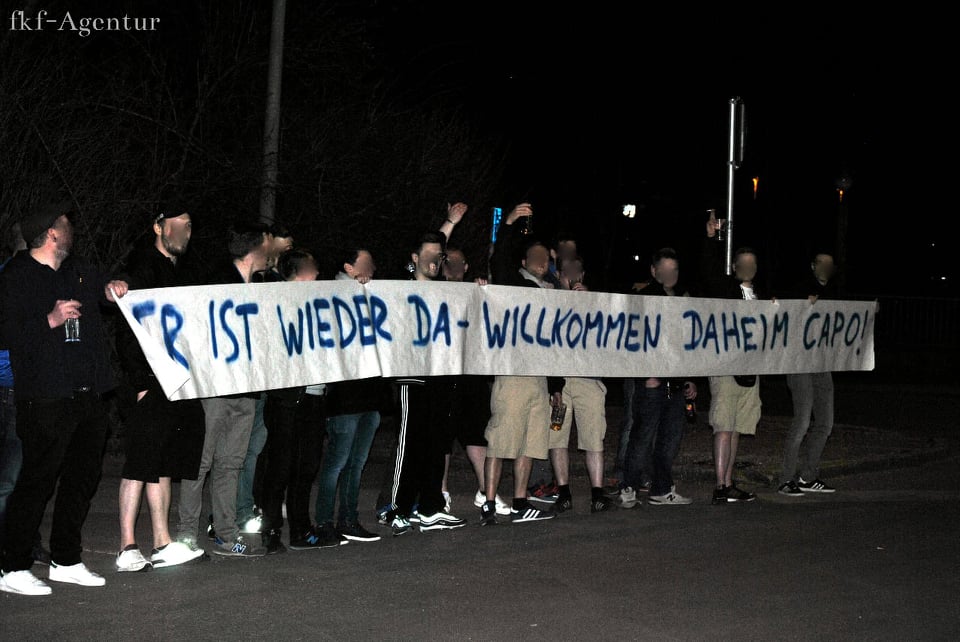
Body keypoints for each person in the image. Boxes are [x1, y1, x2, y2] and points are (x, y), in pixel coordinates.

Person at [0, 196, 129, 596]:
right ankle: (12, 565)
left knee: (82, 479)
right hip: (45, 394)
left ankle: (66, 559)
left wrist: (114, 289)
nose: (72, 226)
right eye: (65, 222)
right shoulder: (17, 275)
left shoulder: (78, 270)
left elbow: (110, 289)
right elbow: (5, 333)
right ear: (52, 232)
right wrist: (49, 320)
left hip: (87, 393)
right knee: (36, 480)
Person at [113, 203, 206, 571]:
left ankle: (163, 542)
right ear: (158, 227)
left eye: (188, 224)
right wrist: (139, 383)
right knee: (140, 463)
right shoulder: (140, 268)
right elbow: (127, 330)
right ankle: (126, 546)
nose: (184, 231)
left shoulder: (181, 270)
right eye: (178, 224)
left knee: (163, 462)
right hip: (148, 383)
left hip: (175, 382)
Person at [175, 222, 271, 556]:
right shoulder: (215, 279)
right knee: (200, 463)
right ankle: (187, 534)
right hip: (215, 388)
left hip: (247, 388)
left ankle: (225, 534)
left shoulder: (261, 285)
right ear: (255, 249)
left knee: (231, 464)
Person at [480, 202, 561, 526]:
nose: (542, 263)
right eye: (536, 258)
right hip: (513, 375)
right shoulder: (514, 285)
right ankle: (487, 502)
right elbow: (499, 260)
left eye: (546, 258)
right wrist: (510, 224)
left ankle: (519, 501)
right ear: (525, 263)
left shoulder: (554, 294)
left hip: (538, 378)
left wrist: (555, 386)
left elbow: (558, 345)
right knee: (501, 441)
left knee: (530, 442)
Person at [384, 230, 467, 536]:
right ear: (415, 259)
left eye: (439, 256)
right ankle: (397, 508)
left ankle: (430, 509)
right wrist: (448, 223)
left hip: (439, 376)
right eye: (429, 255)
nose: (435, 261)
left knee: (435, 444)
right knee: (410, 445)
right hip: (412, 376)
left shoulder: (445, 291)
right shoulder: (400, 287)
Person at [313, 248, 391, 545]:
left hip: (370, 395)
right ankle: (323, 522)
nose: (370, 268)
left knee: (357, 463)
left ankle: (348, 519)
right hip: (344, 397)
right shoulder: (330, 295)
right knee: (337, 462)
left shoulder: (374, 295)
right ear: (347, 266)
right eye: (364, 263)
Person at [256, 248, 328, 553]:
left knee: (307, 466)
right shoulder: (277, 303)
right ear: (299, 273)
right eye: (312, 270)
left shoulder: (323, 304)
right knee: (281, 466)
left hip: (315, 396)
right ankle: (271, 529)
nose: (317, 275)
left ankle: (301, 528)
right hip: (286, 398)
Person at [622, 248, 698, 507]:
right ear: (654, 272)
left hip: (675, 381)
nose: (669, 275)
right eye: (663, 270)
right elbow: (633, 340)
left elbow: (686, 344)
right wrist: (646, 375)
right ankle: (628, 486)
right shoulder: (643, 299)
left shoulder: (683, 301)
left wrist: (689, 378)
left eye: (673, 270)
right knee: (642, 437)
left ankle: (661, 488)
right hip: (652, 383)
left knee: (669, 440)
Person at [438, 247, 511, 518]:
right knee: (444, 437)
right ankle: (441, 492)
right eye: (449, 262)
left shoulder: (476, 292)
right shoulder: (435, 290)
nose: (455, 266)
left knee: (478, 435)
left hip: (473, 376)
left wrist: (485, 293)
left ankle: (485, 491)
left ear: (467, 267)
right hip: (446, 375)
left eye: (460, 262)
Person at [699, 210, 761, 504]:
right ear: (735, 266)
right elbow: (710, 272)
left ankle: (728, 481)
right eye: (743, 263)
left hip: (750, 369)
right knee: (724, 426)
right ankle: (720, 486)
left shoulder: (762, 296)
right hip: (726, 367)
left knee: (736, 426)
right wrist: (711, 240)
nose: (748, 267)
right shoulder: (726, 291)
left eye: (752, 263)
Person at [0, 222, 50, 569]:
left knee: (26, 474)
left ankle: (25, 542)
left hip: (26, 385)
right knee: (13, 476)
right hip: (11, 385)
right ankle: (12, 548)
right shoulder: (14, 278)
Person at [548, 255, 613, 514]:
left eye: (576, 271)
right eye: (566, 272)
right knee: (557, 437)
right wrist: (553, 385)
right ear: (559, 275)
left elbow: (609, 332)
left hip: (589, 378)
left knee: (594, 436)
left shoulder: (595, 302)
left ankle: (597, 493)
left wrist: (591, 301)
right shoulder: (551, 303)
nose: (571, 276)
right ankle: (563, 492)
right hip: (561, 382)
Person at [777, 251, 840, 496]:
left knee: (825, 422)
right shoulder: (799, 289)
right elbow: (786, 313)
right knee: (802, 421)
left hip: (822, 364)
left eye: (829, 264)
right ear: (813, 266)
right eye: (821, 263)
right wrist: (803, 305)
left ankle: (808, 476)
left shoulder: (835, 292)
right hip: (800, 363)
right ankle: (786, 478)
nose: (825, 267)